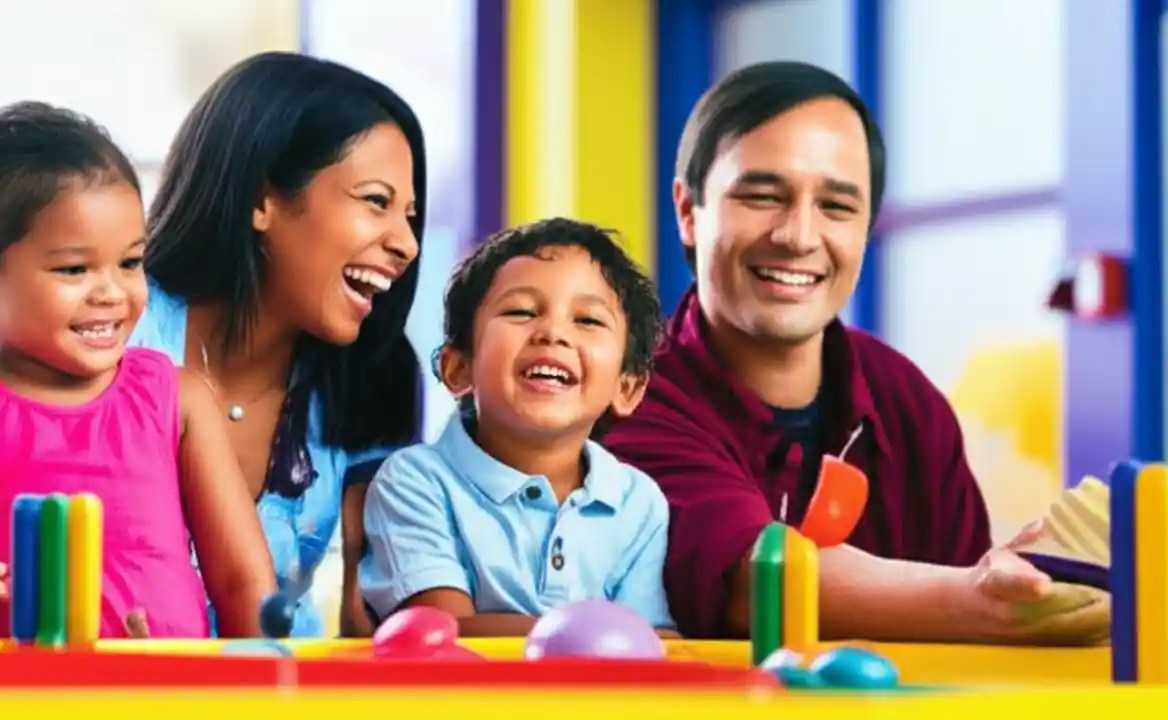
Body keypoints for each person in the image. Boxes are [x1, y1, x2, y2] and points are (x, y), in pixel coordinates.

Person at [603, 61, 1110, 644]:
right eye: (763, 196)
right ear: (689, 212)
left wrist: (1015, 591)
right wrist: (979, 601)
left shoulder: (906, 400)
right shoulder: (629, 396)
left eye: (837, 207)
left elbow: (972, 623)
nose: (798, 236)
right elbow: (752, 581)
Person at [0, 101, 275, 639]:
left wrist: (262, 685)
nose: (112, 293)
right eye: (74, 268)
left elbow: (241, 581)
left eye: (130, 262)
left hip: (169, 695)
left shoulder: (177, 398)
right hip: (10, 700)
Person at [128, 52, 426, 637]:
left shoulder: (374, 376)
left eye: (410, 215)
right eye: (375, 201)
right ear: (262, 199)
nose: (408, 244)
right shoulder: (115, 329)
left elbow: (368, 618)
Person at [357, 218, 676, 637]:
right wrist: (591, 638)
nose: (553, 333)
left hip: (601, 705)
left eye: (589, 321)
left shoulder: (638, 502)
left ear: (627, 387)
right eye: (521, 311)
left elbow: (653, 641)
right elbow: (442, 634)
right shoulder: (416, 481)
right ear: (458, 368)